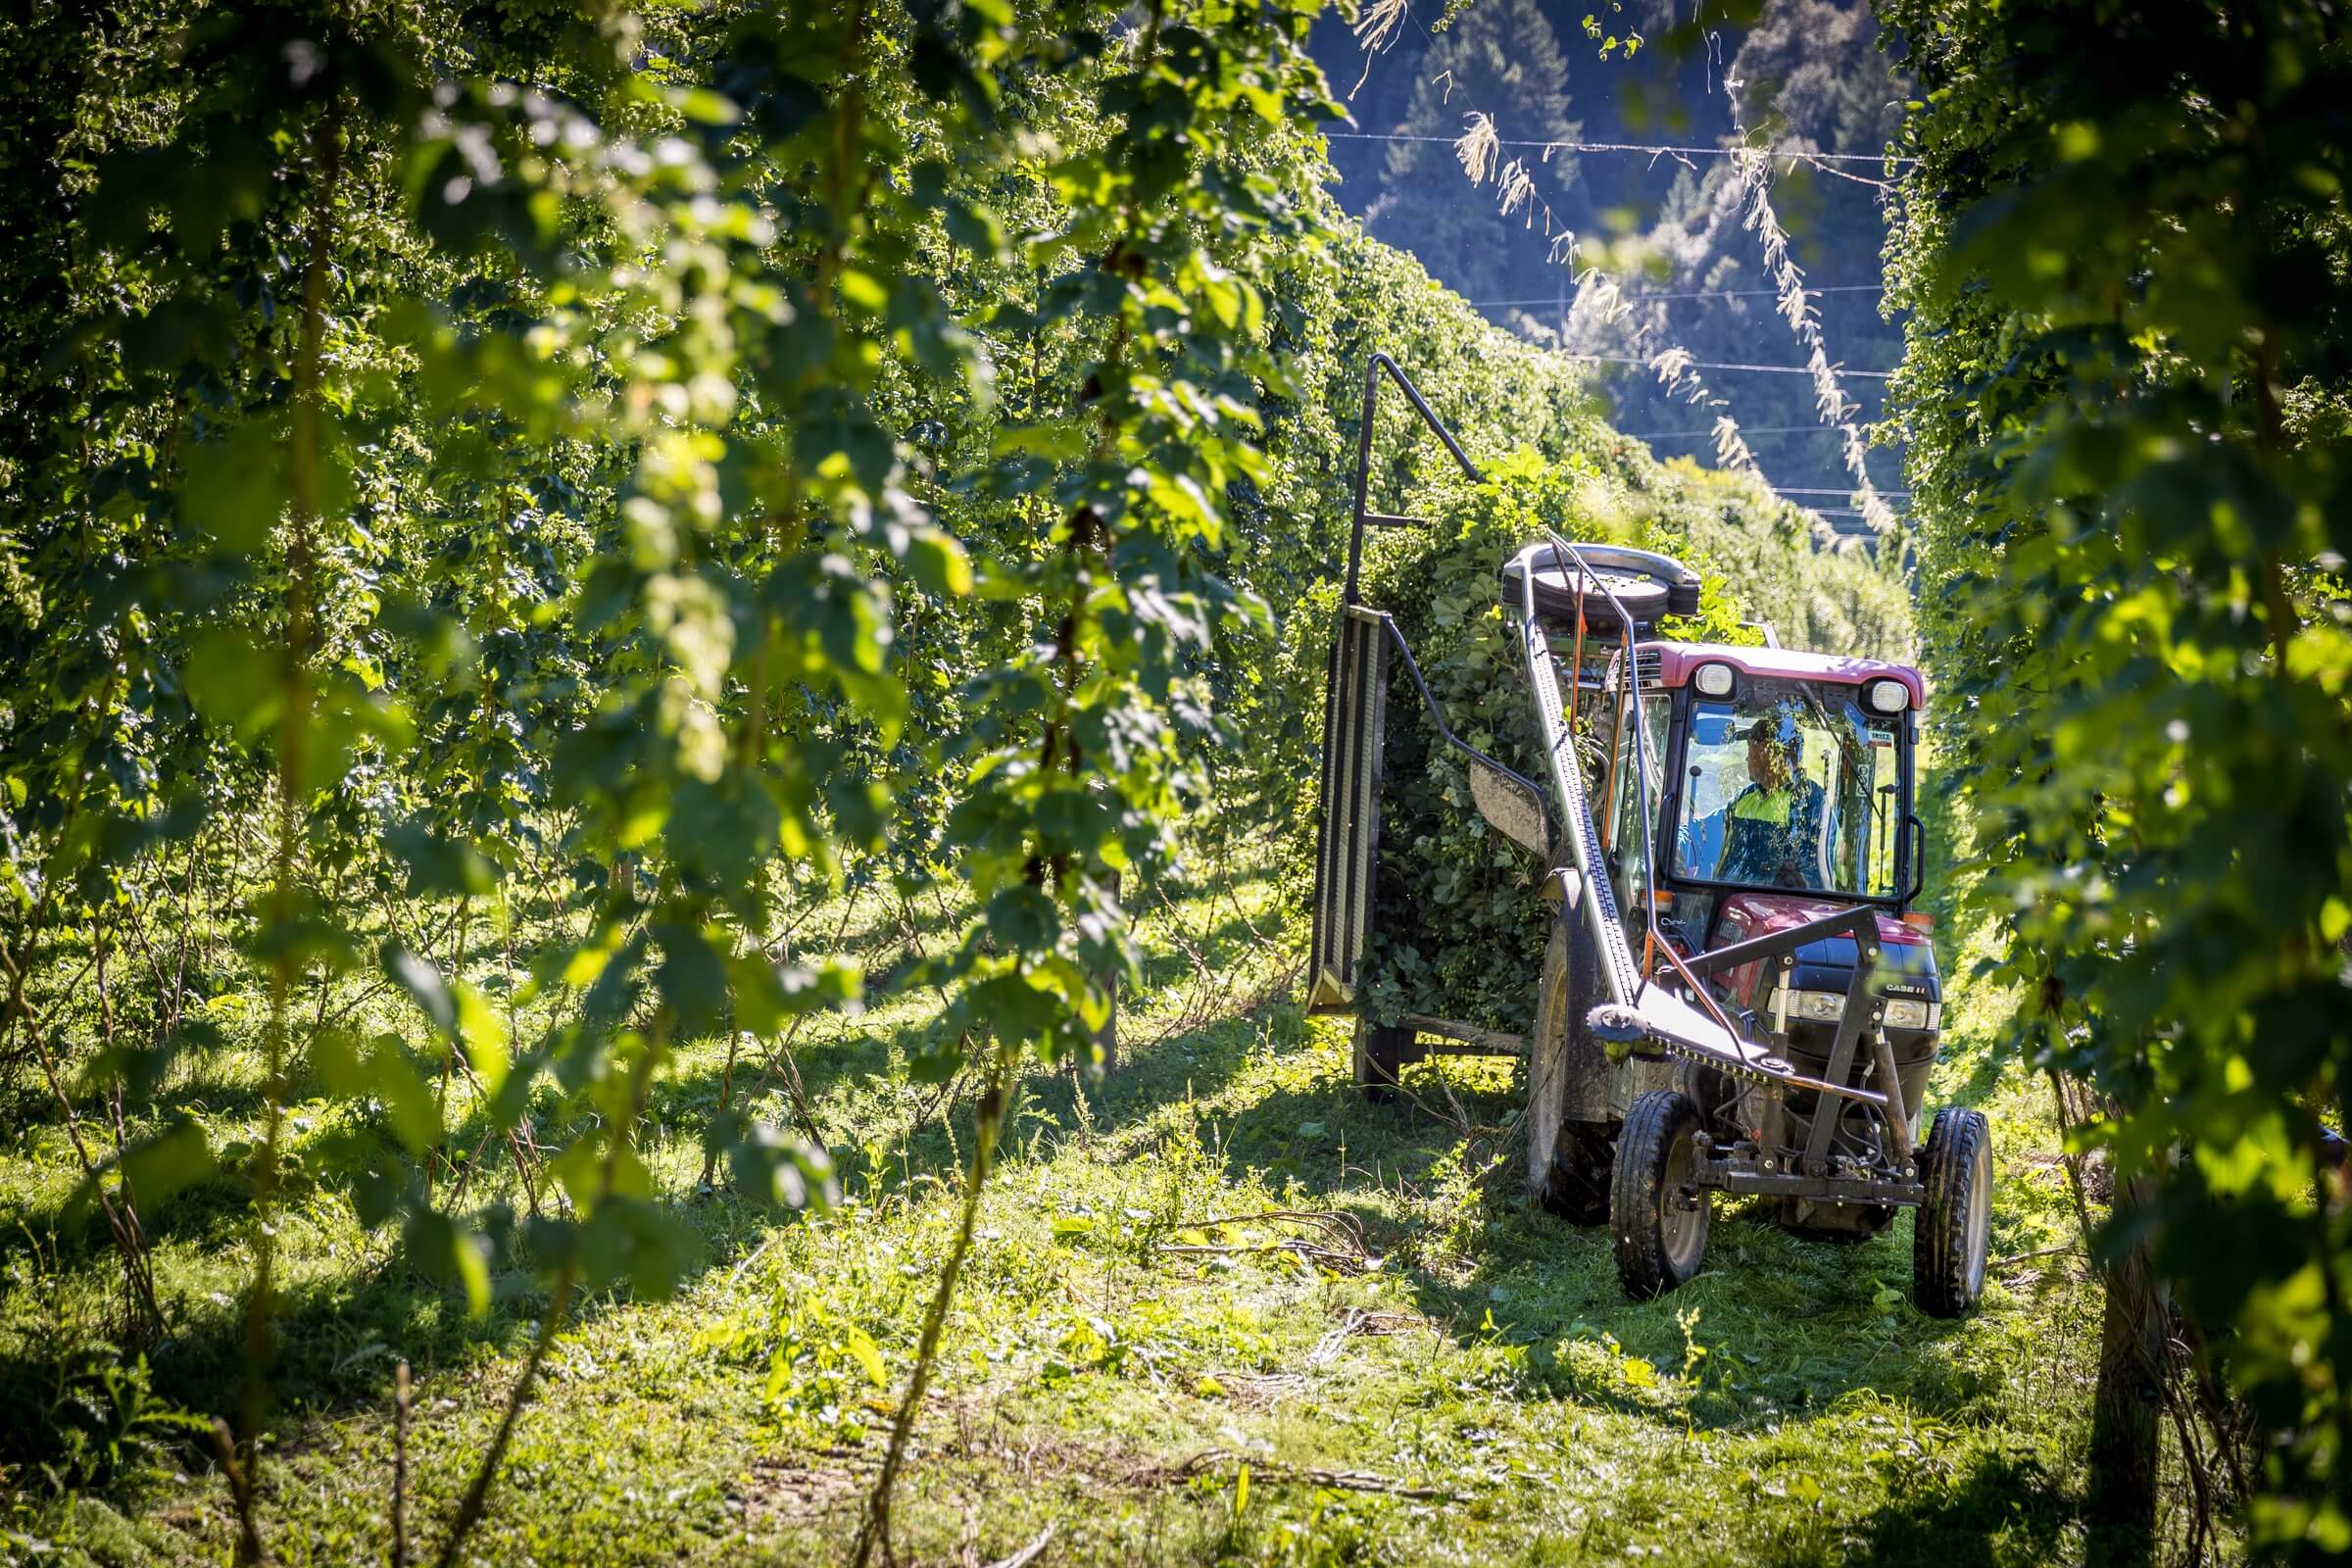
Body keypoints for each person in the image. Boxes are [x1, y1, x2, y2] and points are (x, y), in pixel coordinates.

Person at [1716, 715, 1827, 886]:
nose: (1747, 759)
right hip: (1731, 897)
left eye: (1750, 750)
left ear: (1768, 752)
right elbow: (1713, 833)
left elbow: (1819, 871)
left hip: (1787, 904)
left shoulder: (1813, 802)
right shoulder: (1742, 799)